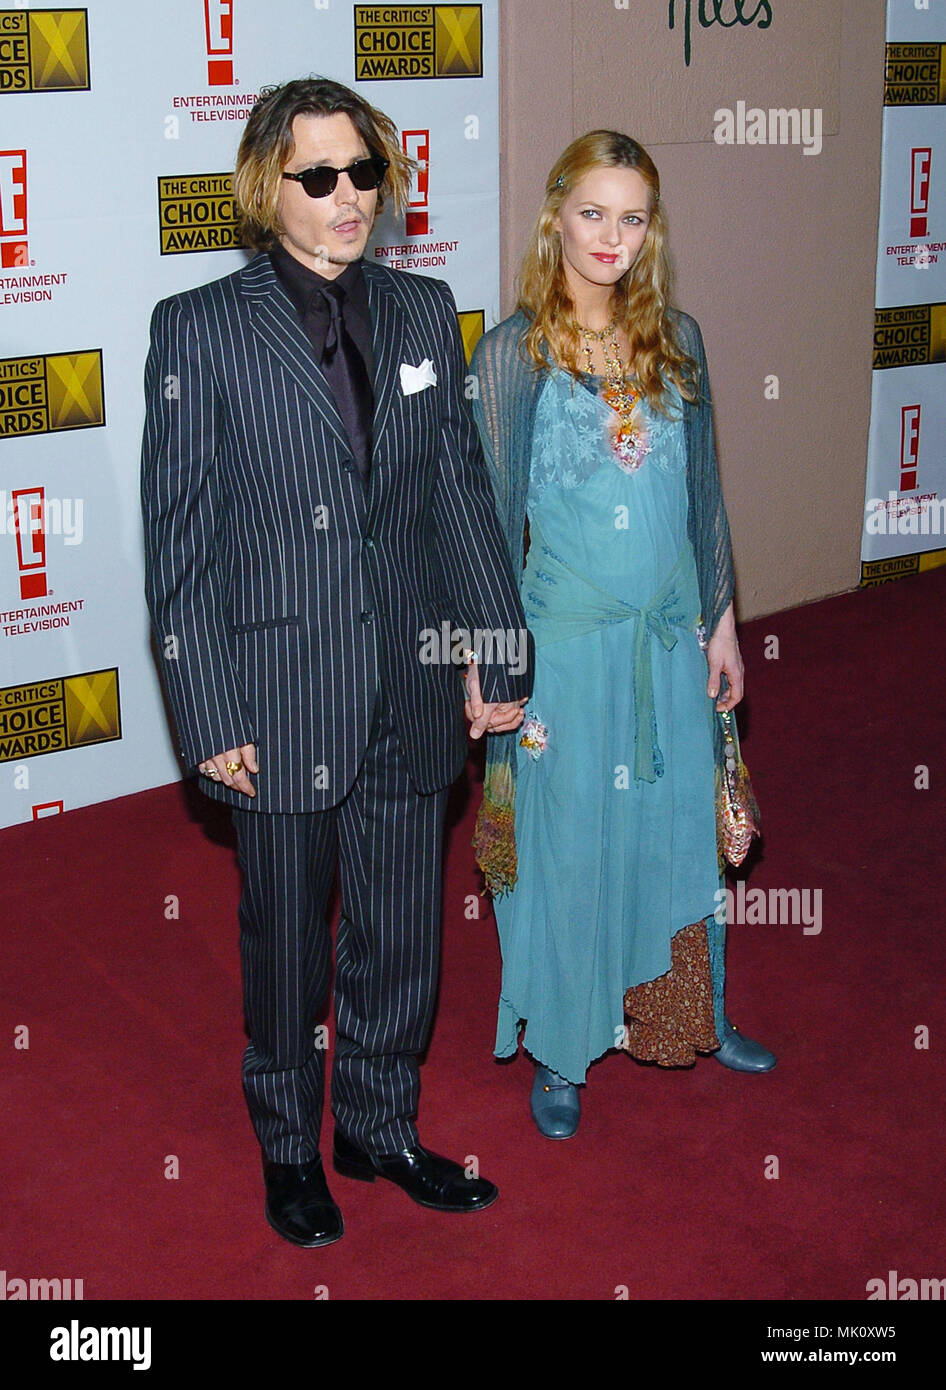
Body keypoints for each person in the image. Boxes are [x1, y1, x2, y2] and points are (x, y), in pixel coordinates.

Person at [140, 76, 531, 1245]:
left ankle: (375, 1124)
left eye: (363, 170)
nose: (348, 196)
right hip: (275, 696)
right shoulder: (198, 329)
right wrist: (206, 709)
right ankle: (285, 1145)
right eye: (319, 176)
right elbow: (181, 542)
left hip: (409, 686)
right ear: (270, 188)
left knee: (405, 930)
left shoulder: (423, 310)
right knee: (287, 945)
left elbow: (457, 493)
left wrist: (494, 649)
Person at [470, 130, 775, 1140]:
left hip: (666, 636)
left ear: (653, 231)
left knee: (678, 823)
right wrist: (489, 658)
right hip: (563, 648)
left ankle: (690, 1014)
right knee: (566, 843)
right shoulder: (510, 353)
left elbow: (705, 500)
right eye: (592, 211)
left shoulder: (677, 338)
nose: (610, 236)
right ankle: (562, 1046)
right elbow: (486, 520)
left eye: (631, 217)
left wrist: (720, 623)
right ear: (556, 214)